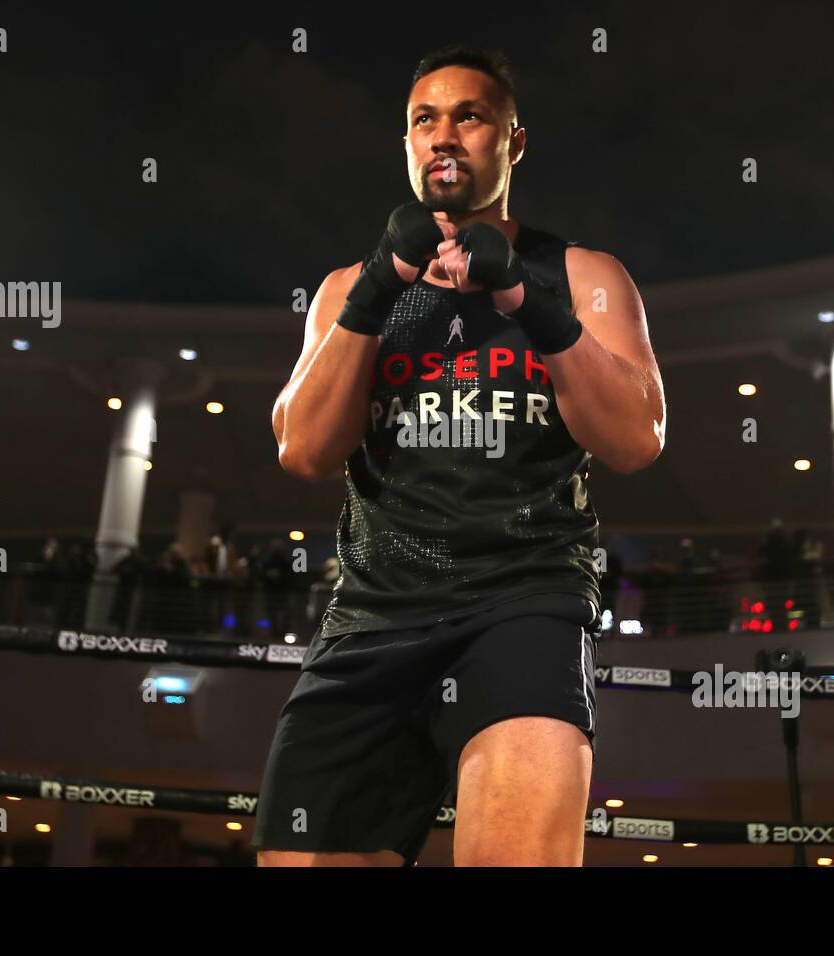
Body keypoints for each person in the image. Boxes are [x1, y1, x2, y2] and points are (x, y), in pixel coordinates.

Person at [254, 45, 665, 867]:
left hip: (525, 603)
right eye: (424, 120)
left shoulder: (581, 275)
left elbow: (636, 440)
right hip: (375, 611)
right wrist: (378, 289)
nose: (444, 136)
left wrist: (527, 301)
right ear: (407, 144)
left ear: (513, 142)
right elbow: (302, 449)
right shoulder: (347, 288)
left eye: (469, 116)